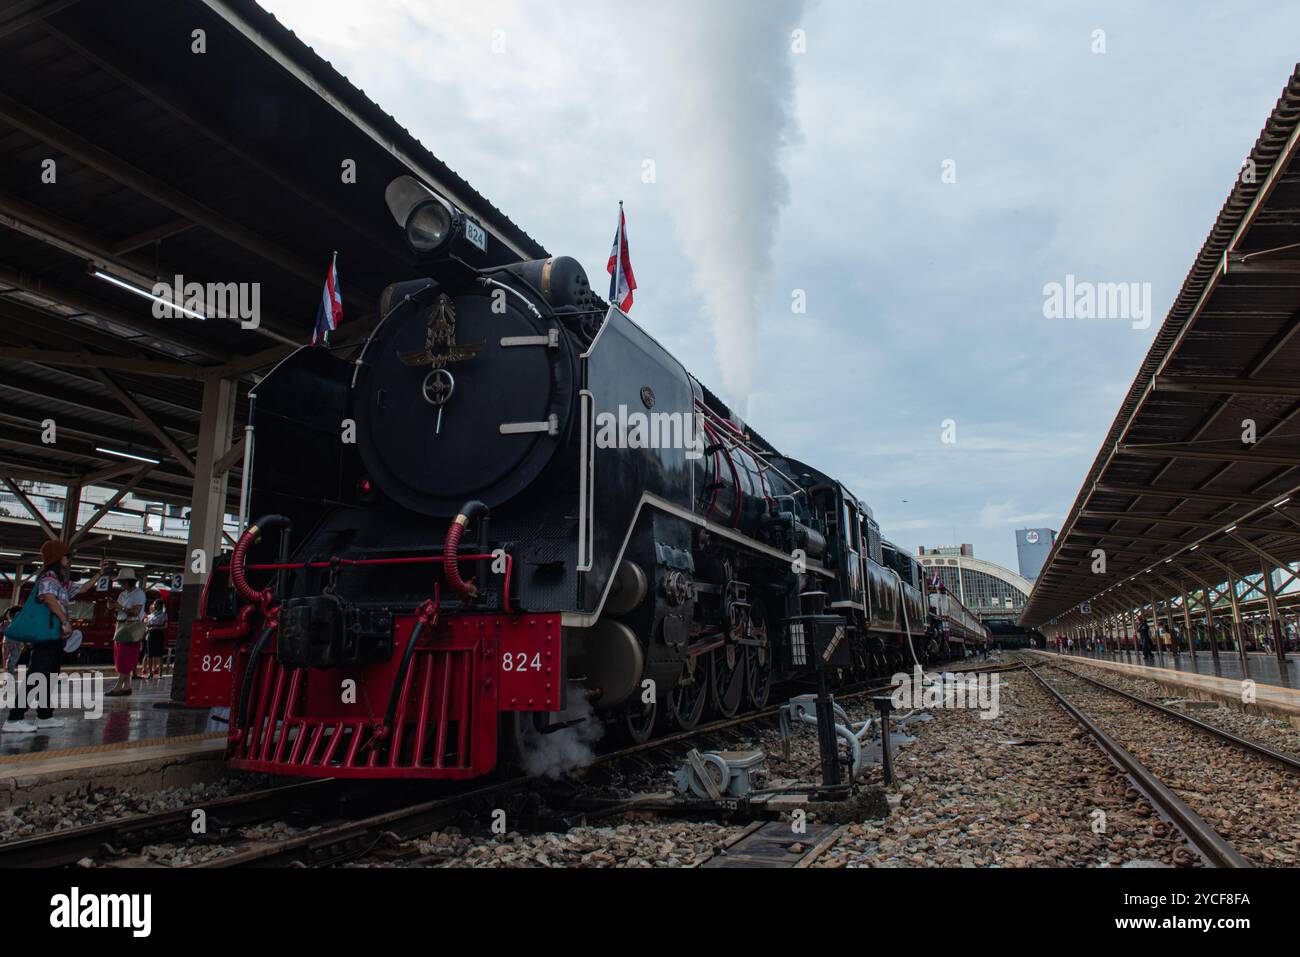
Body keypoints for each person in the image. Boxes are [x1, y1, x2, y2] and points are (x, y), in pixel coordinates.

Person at [2, 541, 113, 732]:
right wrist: (65, 621)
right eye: (66, 556)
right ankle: (14, 718)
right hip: (46, 634)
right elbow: (49, 599)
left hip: (53, 635)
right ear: (56, 557)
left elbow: (83, 589)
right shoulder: (49, 578)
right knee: (36, 675)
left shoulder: (61, 582)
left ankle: (44, 716)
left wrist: (100, 573)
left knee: (49, 675)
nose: (68, 560)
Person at [107, 569, 146, 696]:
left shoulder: (139, 594)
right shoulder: (122, 594)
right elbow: (120, 611)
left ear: (130, 582)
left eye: (122, 581)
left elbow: (135, 611)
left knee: (125, 657)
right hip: (121, 626)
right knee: (120, 656)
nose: (120, 584)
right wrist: (113, 607)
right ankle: (127, 686)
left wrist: (120, 607)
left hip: (131, 627)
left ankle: (119, 686)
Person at [141, 599, 167, 680]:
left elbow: (165, 626)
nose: (155, 606)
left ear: (160, 605)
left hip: (158, 634)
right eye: (154, 604)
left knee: (159, 654)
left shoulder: (163, 615)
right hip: (150, 635)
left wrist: (154, 626)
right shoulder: (150, 615)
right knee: (149, 654)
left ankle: (160, 673)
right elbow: (146, 625)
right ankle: (150, 673)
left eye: (156, 604)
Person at [0, 606, 17, 685]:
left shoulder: (10, 623)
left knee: (10, 662)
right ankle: (7, 680)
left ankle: (9, 679)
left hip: (14, 644)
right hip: (7, 644)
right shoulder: (4, 623)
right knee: (7, 663)